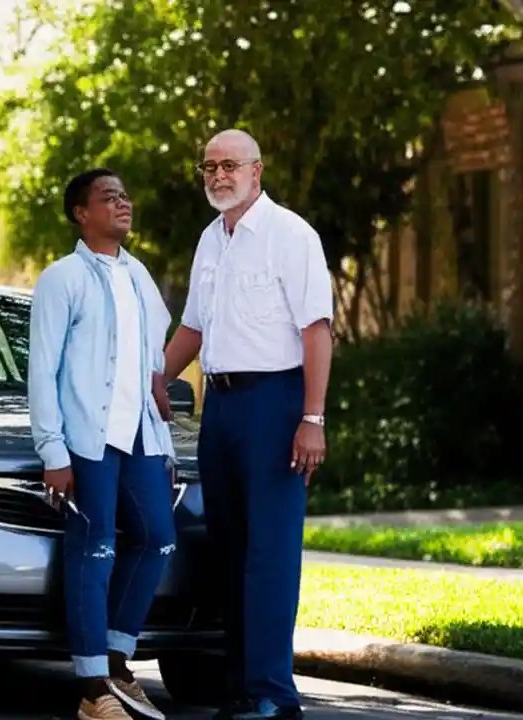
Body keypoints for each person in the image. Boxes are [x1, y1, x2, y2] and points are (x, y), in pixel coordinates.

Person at [162, 129, 333, 720]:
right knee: (229, 550)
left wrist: (312, 417)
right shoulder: (211, 239)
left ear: (257, 171)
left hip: (276, 404)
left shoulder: (291, 234)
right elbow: (193, 328)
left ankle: (273, 693)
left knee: (270, 552)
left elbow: (317, 331)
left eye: (229, 165)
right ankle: (238, 686)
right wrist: (155, 381)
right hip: (222, 406)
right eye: (209, 166)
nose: (218, 175)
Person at [29, 168, 179, 720]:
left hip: (139, 436)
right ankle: (92, 689)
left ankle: (116, 662)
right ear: (81, 213)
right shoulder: (61, 278)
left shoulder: (138, 275)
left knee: (157, 538)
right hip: (87, 441)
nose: (123, 203)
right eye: (109, 197)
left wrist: (163, 438)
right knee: (94, 550)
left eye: (125, 195)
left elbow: (152, 362)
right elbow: (42, 370)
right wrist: (53, 450)